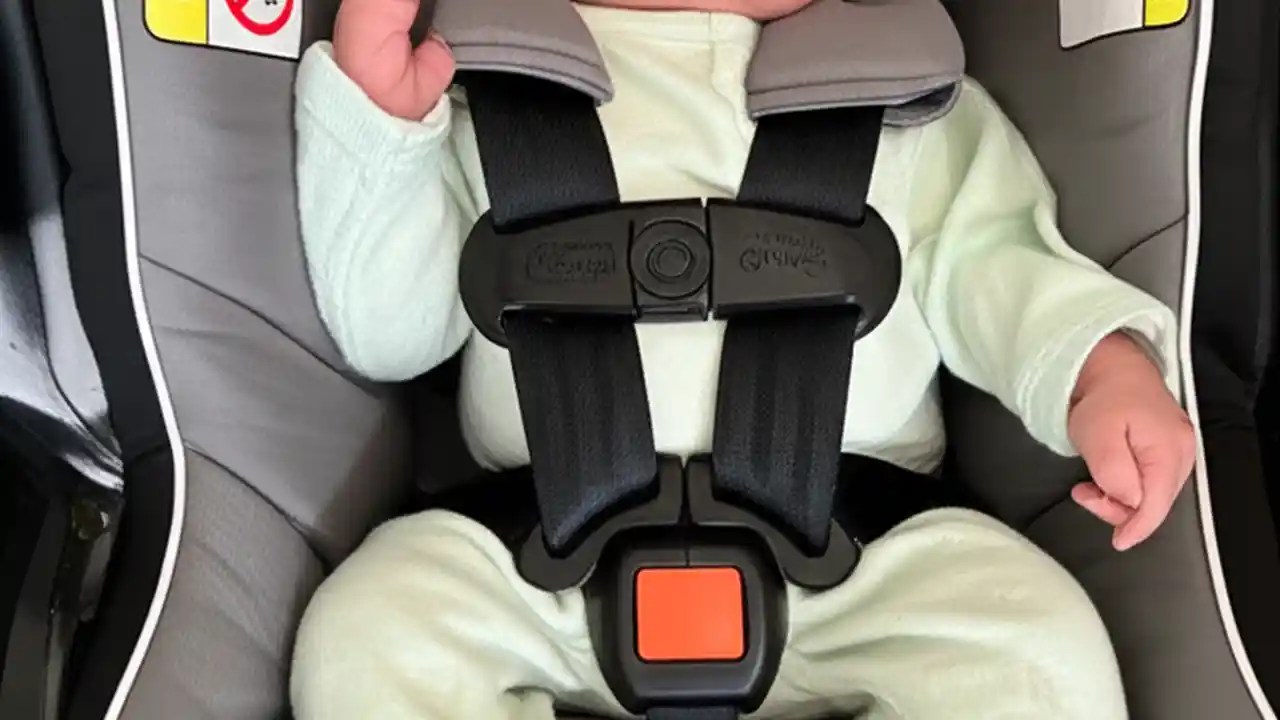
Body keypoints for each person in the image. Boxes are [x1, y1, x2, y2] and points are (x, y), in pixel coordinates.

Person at [289, 0, 1197, 717]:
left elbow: (1005, 265)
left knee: (1035, 645)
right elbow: (390, 333)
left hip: (864, 564)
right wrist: (380, 124)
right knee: (370, 626)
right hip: (537, 571)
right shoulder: (482, 90)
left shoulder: (912, 110)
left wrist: (1101, 369)